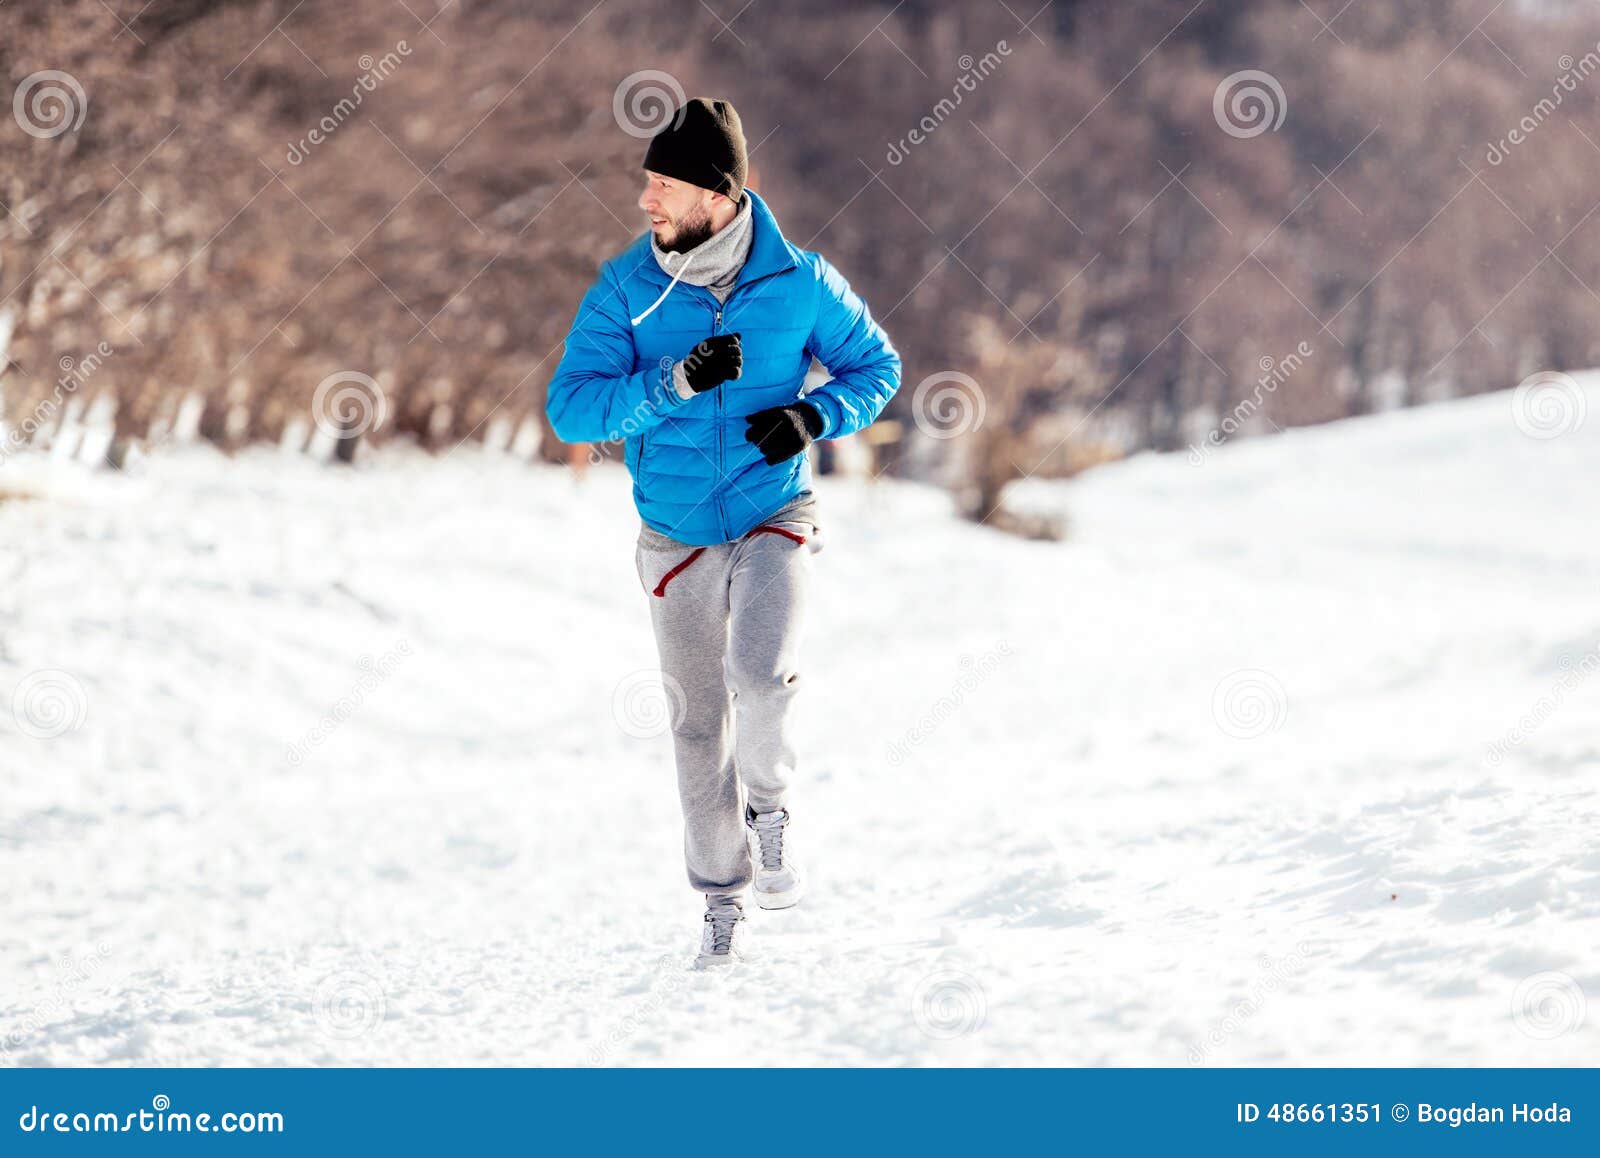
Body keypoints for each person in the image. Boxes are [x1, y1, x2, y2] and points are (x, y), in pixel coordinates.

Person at [546, 98, 901, 965]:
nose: (647, 202)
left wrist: (812, 418)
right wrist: (668, 383)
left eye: (663, 185)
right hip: (675, 536)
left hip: (773, 509)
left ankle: (770, 807)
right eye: (647, 183)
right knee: (698, 727)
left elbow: (876, 367)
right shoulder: (626, 291)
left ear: (719, 191)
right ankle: (719, 897)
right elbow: (571, 407)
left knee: (762, 676)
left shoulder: (800, 282)